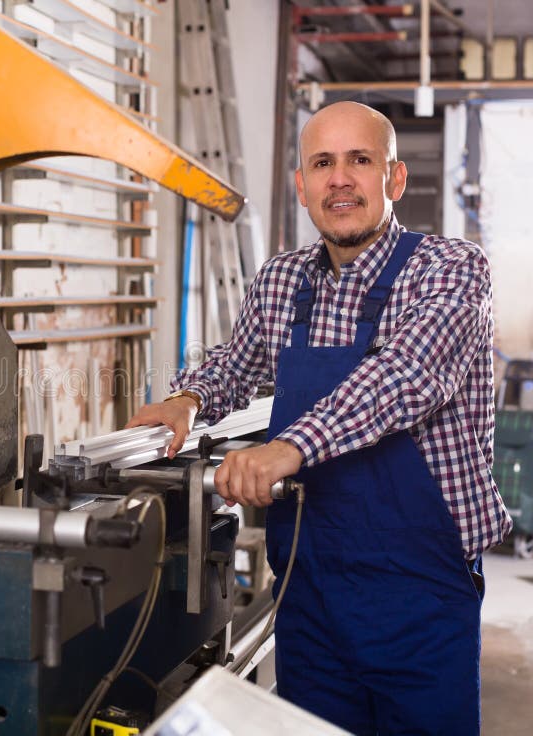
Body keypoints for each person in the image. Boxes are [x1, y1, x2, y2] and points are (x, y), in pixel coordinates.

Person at [126, 101, 512, 735]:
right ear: (301, 185)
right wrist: (187, 400)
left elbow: (409, 375)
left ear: (394, 178)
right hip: (309, 595)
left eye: (359, 160)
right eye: (322, 163)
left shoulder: (450, 268)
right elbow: (235, 364)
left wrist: (287, 449)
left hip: (421, 598)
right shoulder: (282, 281)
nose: (340, 179)